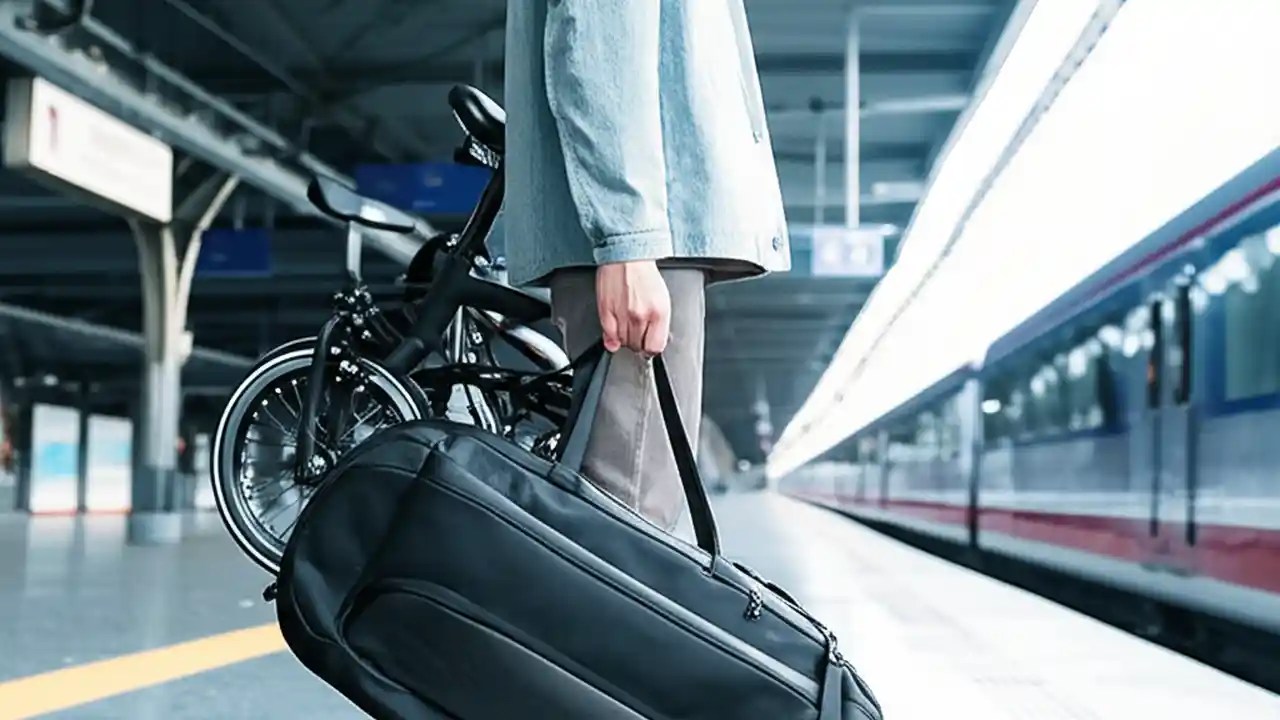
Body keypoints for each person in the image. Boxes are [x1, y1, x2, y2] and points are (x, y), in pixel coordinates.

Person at [503, 1, 790, 536]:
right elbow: (597, 36)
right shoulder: (636, 243)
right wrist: (627, 242)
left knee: (628, 519)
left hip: (650, 231)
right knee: (627, 529)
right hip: (648, 235)